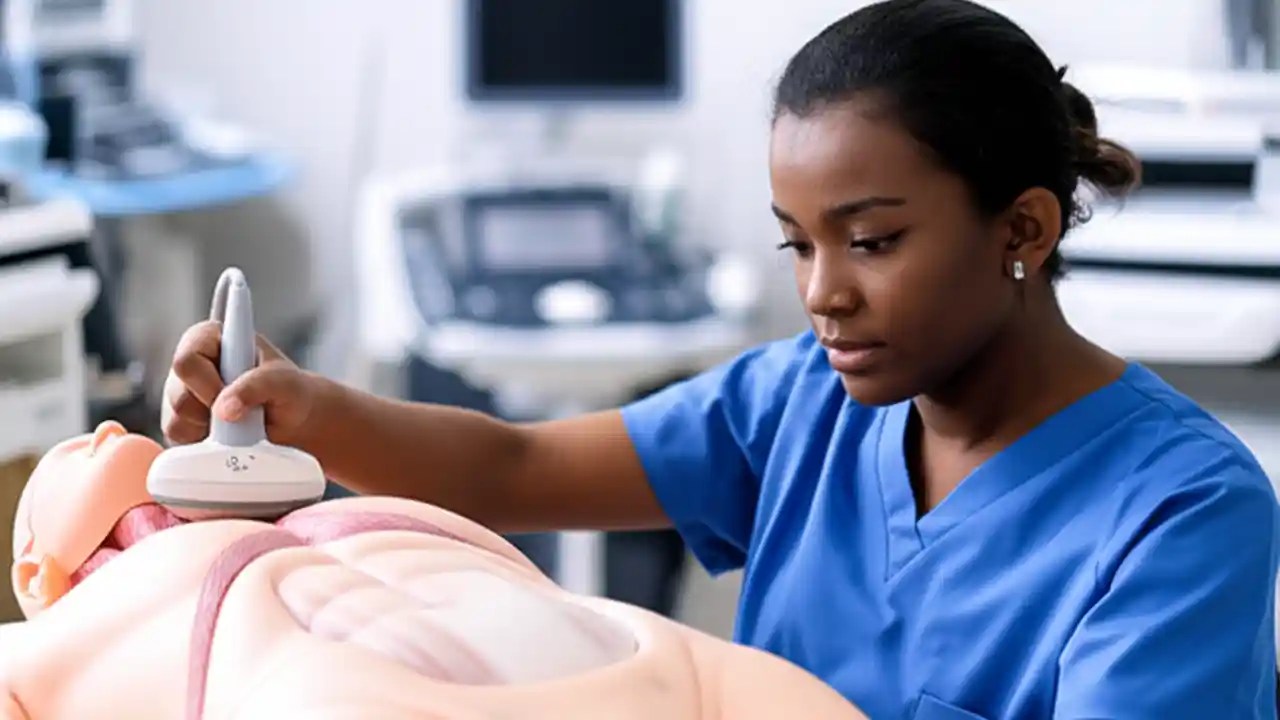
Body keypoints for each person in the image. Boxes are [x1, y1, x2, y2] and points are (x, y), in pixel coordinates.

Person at [162, 0, 1280, 717]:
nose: (820, 292)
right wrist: (302, 406)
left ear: (1022, 231)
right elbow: (511, 472)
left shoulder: (1178, 510)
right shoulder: (798, 401)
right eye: (796, 243)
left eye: (872, 240)